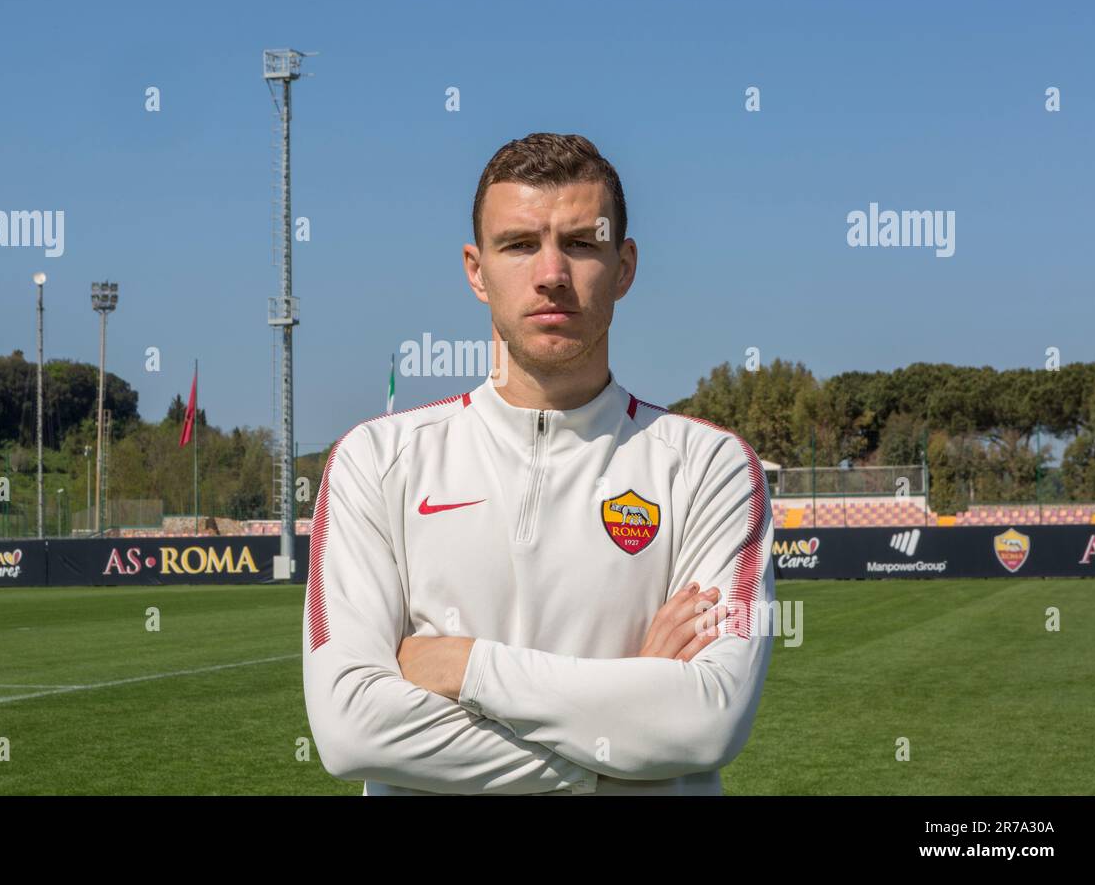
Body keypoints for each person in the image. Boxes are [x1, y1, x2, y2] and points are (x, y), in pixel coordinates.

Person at [302, 132, 775, 795]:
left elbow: (706, 722)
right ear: (476, 269)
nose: (551, 272)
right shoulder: (376, 462)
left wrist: (466, 667)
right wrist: (618, 745)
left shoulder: (710, 467)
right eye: (520, 244)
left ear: (626, 265)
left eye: (581, 243)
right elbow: (352, 730)